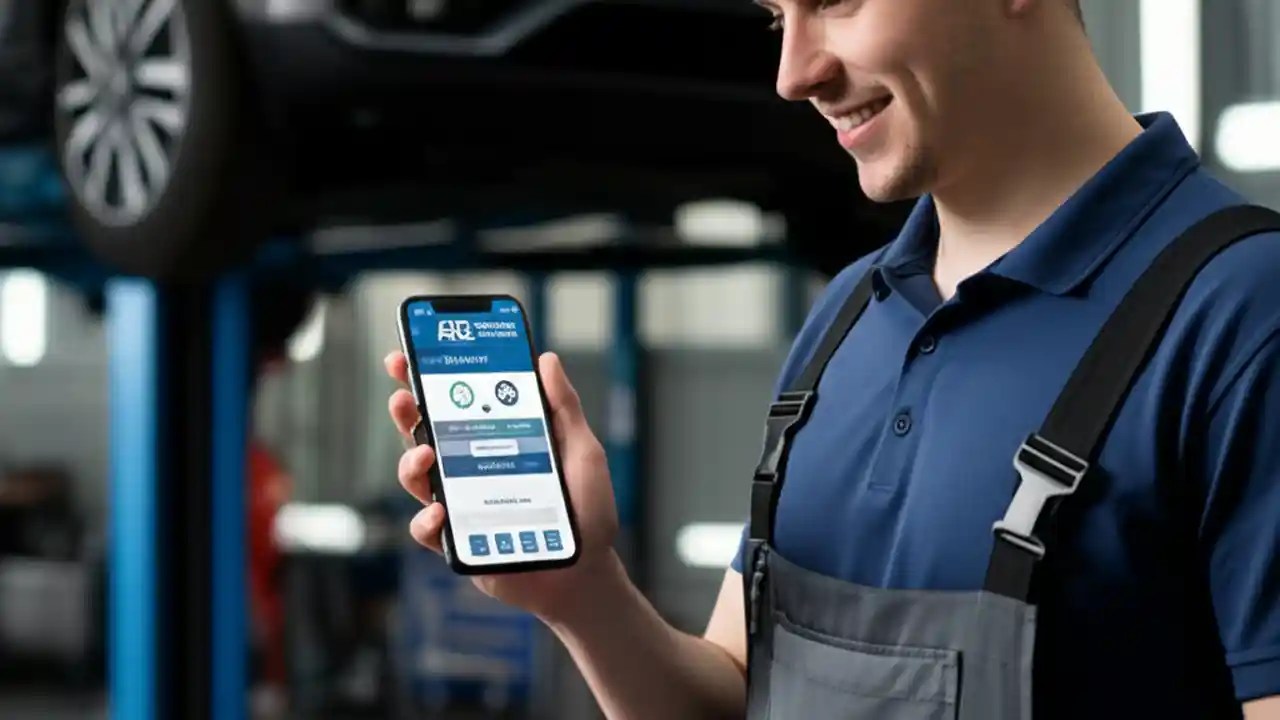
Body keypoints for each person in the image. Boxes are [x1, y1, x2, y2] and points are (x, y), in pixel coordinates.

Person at [384, 1, 1280, 717]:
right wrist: (581, 593)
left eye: (835, 3)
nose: (794, 73)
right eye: (781, 18)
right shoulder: (850, 315)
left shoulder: (1243, 316)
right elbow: (738, 695)